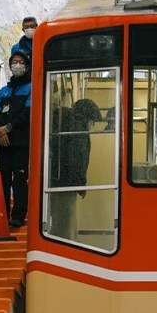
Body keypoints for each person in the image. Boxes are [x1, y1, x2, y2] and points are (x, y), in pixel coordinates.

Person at [46, 99, 101, 240]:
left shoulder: (62, 121)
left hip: (54, 178)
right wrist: (80, 183)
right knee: (64, 224)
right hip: (66, 183)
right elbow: (77, 157)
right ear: (87, 117)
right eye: (92, 121)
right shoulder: (78, 128)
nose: (92, 125)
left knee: (57, 220)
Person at [0, 49, 32, 227]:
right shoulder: (3, 92)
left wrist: (8, 128)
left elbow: (27, 113)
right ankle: (3, 214)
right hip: (3, 144)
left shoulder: (31, 88)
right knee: (3, 180)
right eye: (14, 62)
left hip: (22, 143)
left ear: (27, 65)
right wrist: (0, 130)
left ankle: (18, 215)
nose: (17, 65)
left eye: (20, 62)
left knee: (20, 180)